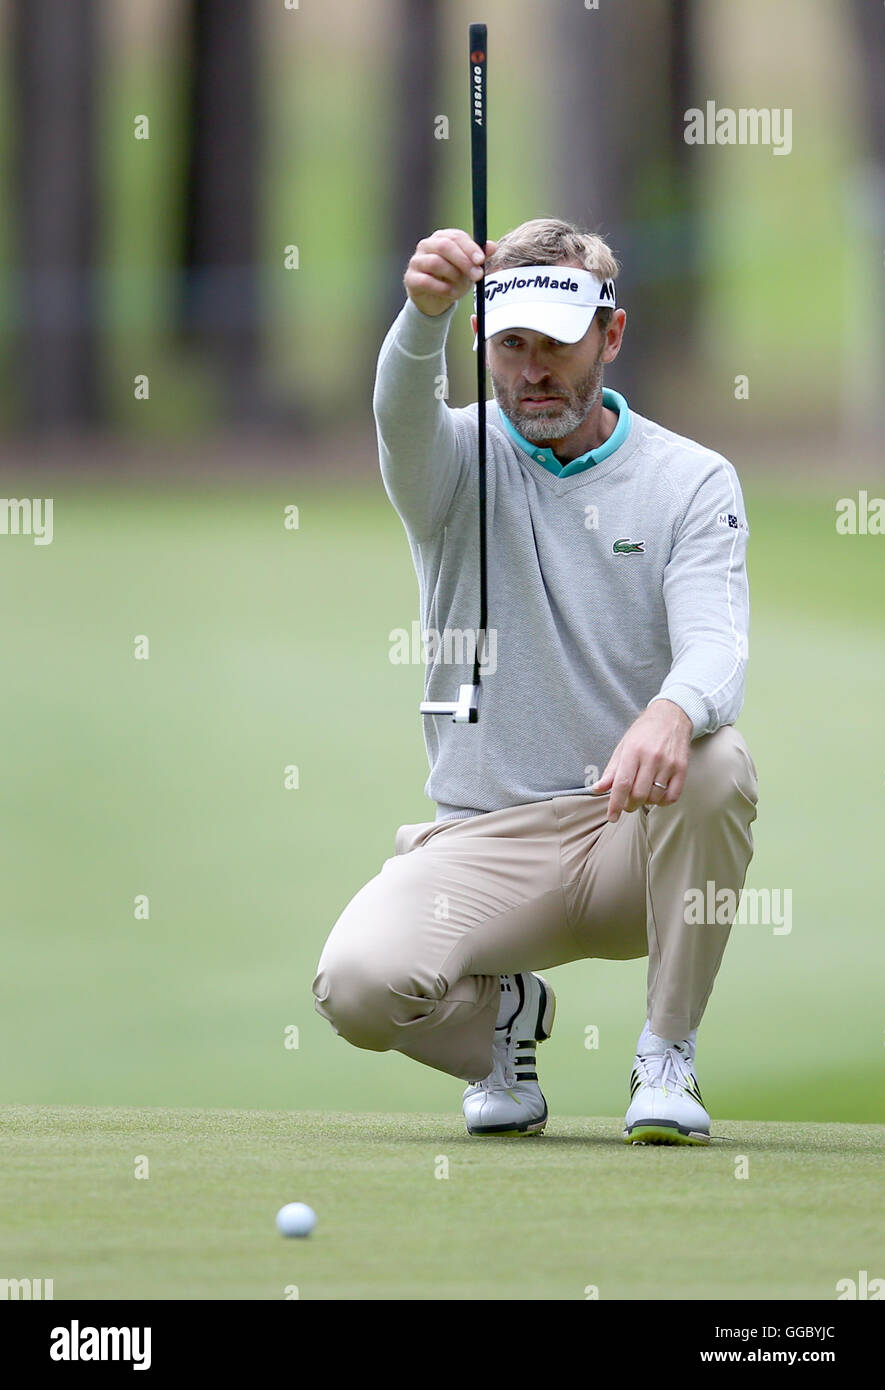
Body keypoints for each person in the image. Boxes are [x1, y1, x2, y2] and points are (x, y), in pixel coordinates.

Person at [312, 217, 758, 1144]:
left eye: (556, 344)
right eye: (510, 345)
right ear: (484, 345)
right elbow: (400, 413)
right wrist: (422, 313)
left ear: (612, 334)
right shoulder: (449, 462)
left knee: (718, 759)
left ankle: (665, 1052)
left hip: (629, 830)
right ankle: (502, 1029)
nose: (533, 371)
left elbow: (714, 644)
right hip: (483, 845)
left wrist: (672, 710)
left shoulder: (689, 479)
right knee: (356, 988)